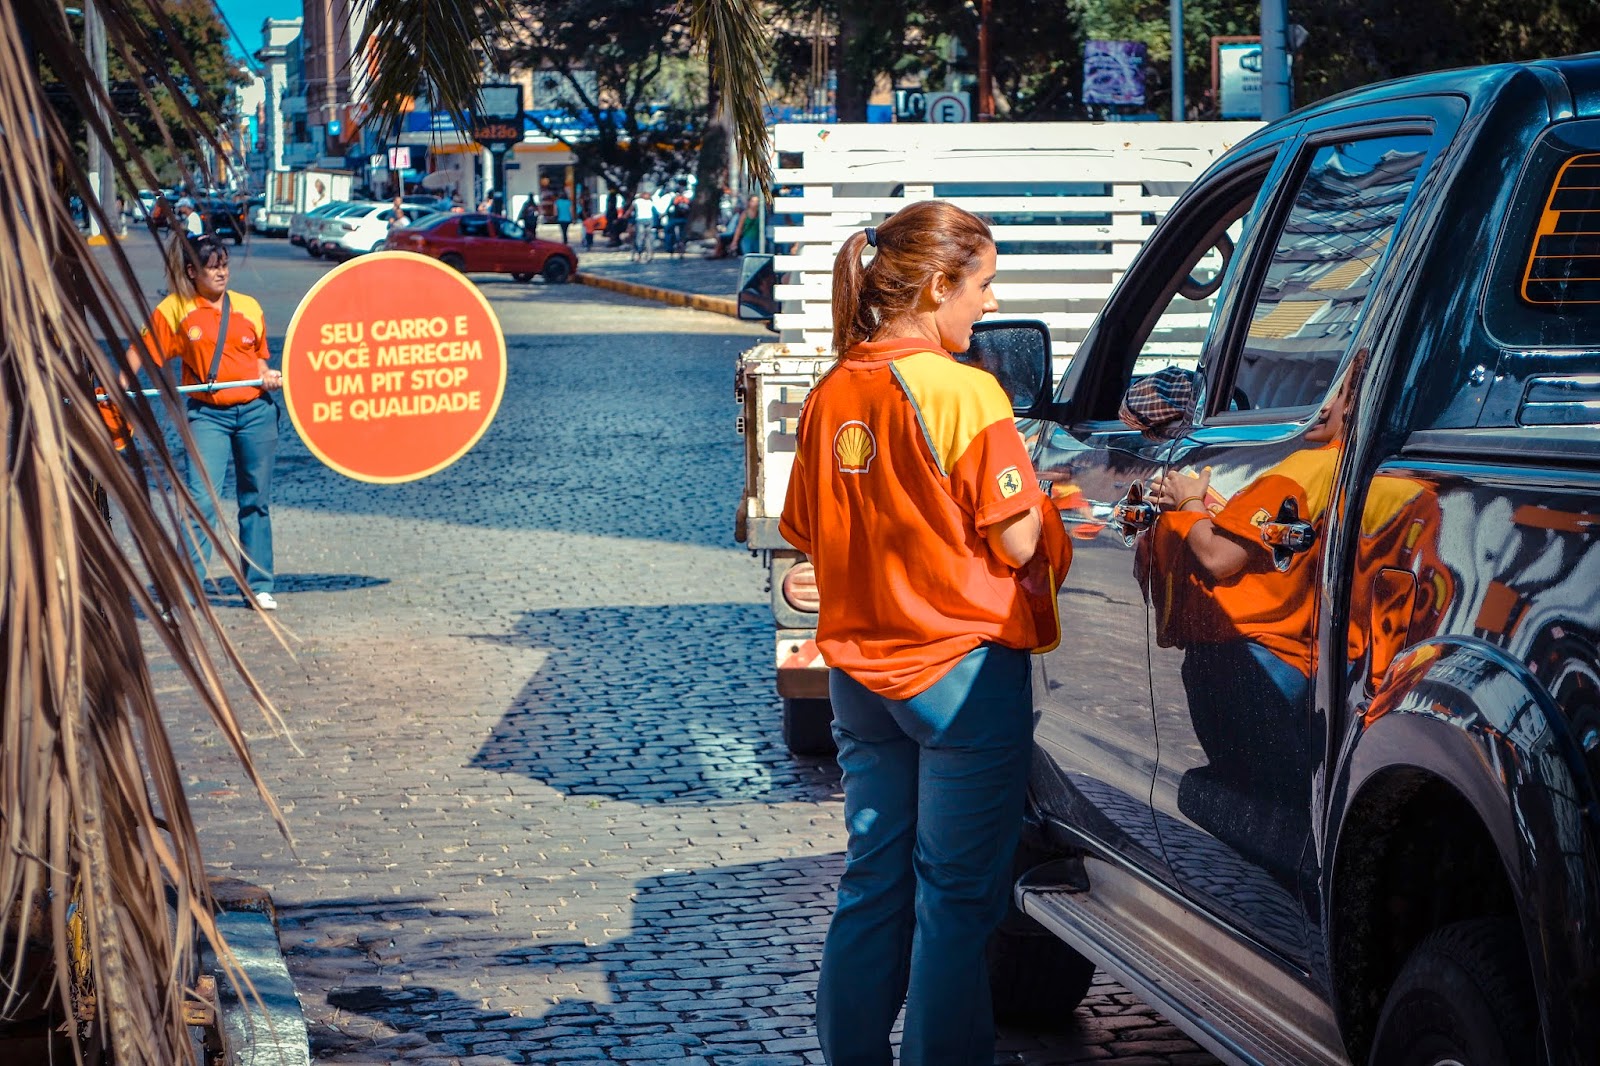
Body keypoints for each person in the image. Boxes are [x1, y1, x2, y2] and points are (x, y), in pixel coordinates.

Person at [779, 200, 1071, 1066]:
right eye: (981, 286)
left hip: (860, 676)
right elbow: (1018, 536)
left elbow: (812, 533)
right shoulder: (966, 391)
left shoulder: (834, 389)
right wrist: (1057, 501)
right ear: (940, 282)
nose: (986, 306)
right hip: (962, 674)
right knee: (954, 902)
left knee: (872, 882)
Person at [125, 235, 283, 611]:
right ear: (192, 271)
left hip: (256, 413)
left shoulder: (249, 307)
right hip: (207, 416)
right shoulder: (175, 309)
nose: (221, 272)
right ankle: (185, 592)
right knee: (200, 501)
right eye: (212, 267)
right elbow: (141, 354)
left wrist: (267, 375)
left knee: (255, 501)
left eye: (224, 265)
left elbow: (258, 359)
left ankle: (258, 586)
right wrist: (114, 390)